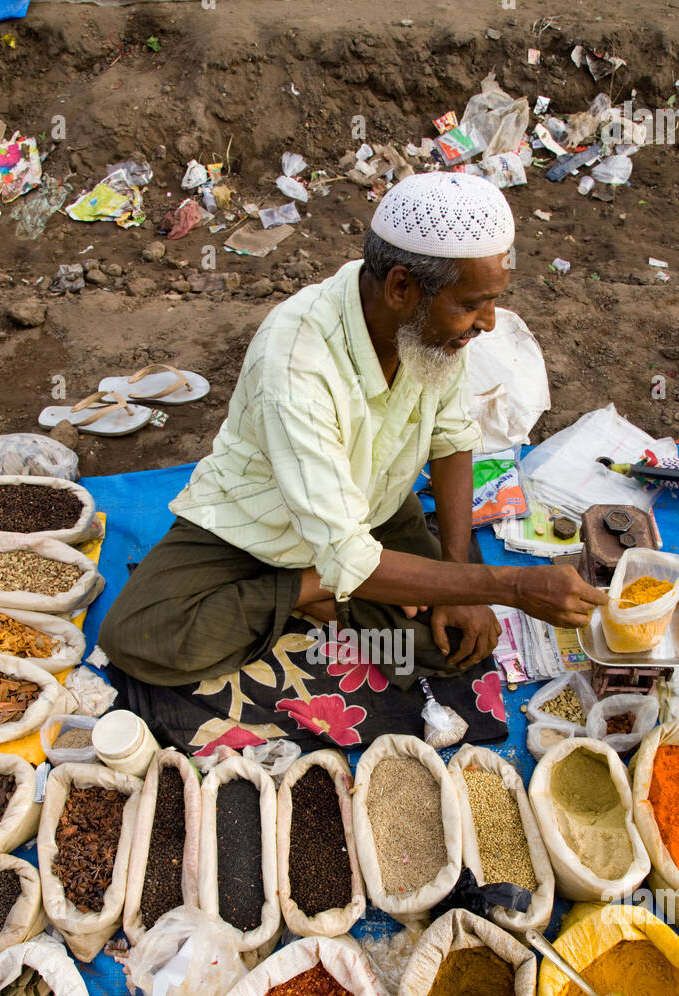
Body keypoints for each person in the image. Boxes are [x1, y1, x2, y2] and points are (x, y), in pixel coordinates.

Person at [99, 171, 605, 689]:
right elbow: (351, 553)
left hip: (373, 509)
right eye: (473, 304)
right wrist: (512, 588)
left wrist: (465, 590)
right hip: (259, 523)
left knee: (445, 645)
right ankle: (308, 588)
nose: (490, 322)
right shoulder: (295, 360)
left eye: (493, 300)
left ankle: (330, 590)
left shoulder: (432, 331)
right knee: (141, 637)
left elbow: (451, 439)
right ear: (401, 286)